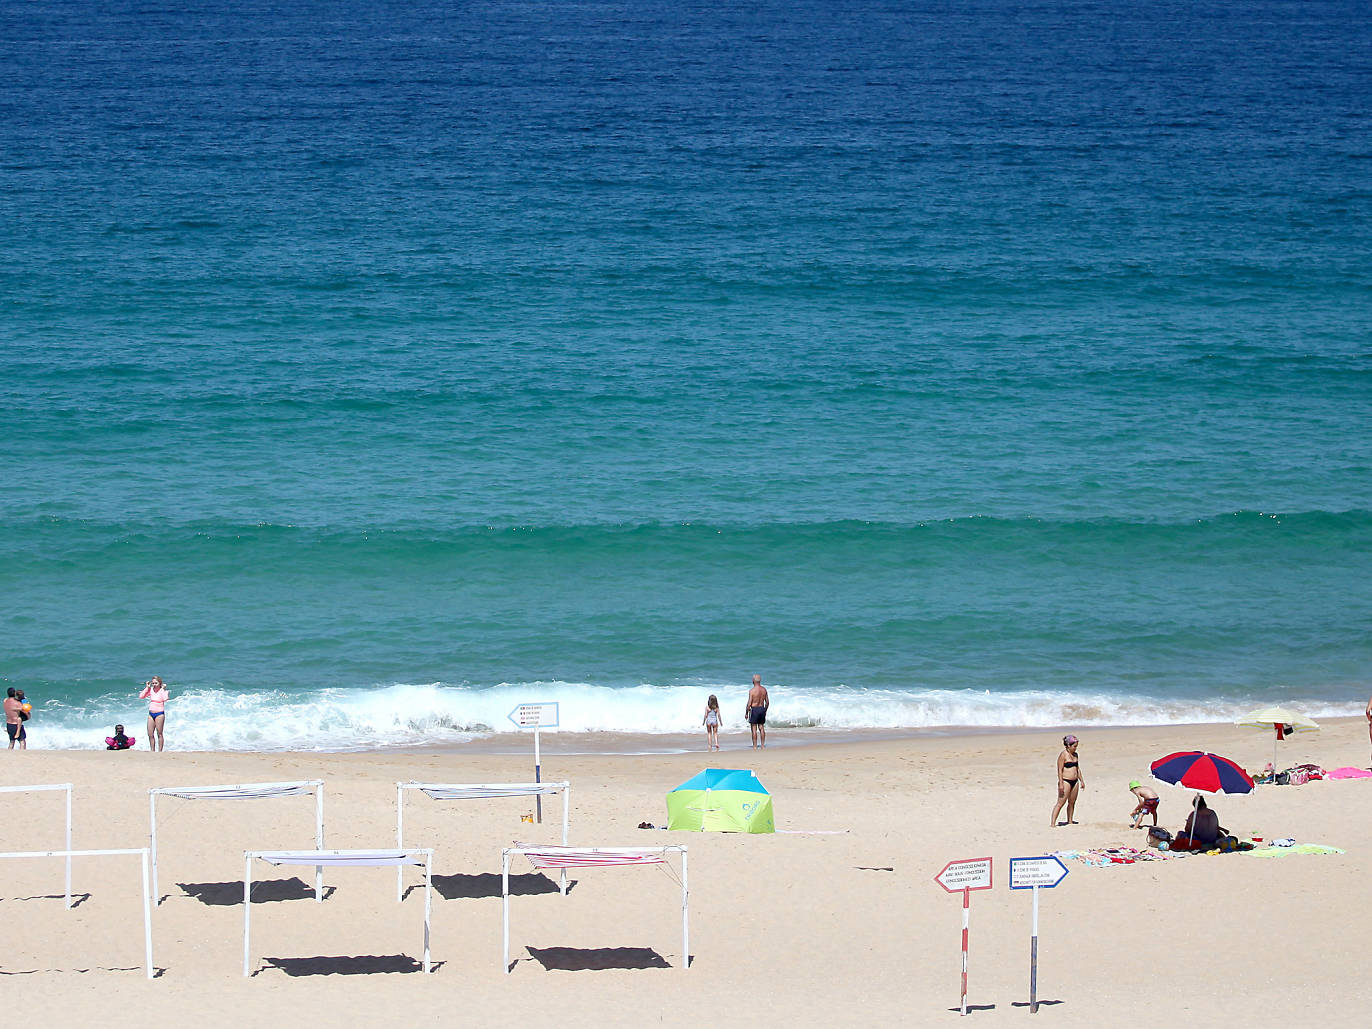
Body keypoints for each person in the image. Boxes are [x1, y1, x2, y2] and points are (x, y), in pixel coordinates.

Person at [1049, 734, 1083, 826]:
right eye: (1074, 746)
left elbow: (1077, 768)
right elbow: (1059, 770)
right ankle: (1053, 823)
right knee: (1061, 803)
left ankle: (1070, 820)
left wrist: (1081, 780)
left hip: (1075, 781)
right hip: (1065, 781)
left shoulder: (1076, 755)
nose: (1075, 748)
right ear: (1068, 745)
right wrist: (1061, 783)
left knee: (1072, 802)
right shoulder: (1063, 755)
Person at [139, 676, 169, 752]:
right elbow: (141, 696)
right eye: (153, 683)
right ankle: (152, 750)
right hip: (151, 714)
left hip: (159, 714)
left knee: (159, 733)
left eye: (156, 683)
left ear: (160, 683)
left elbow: (165, 698)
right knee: (150, 733)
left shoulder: (163, 691)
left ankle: (160, 751)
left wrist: (163, 689)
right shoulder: (151, 690)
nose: (154, 684)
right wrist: (147, 688)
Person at [745, 675, 769, 749]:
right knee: (761, 727)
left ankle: (755, 746)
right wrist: (765, 710)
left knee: (754, 728)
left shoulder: (752, 691)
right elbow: (767, 702)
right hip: (762, 708)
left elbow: (749, 703)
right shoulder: (764, 690)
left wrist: (746, 712)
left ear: (754, 681)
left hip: (754, 709)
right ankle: (762, 745)